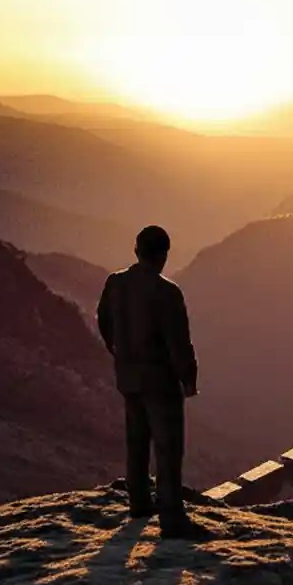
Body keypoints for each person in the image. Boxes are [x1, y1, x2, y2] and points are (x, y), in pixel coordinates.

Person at [96, 225, 208, 538]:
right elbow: (179, 342)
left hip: (128, 376)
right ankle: (172, 518)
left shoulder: (115, 283)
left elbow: (103, 320)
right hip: (160, 380)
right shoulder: (166, 292)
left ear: (136, 250)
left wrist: (117, 351)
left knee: (136, 441)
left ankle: (139, 503)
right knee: (167, 447)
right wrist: (188, 379)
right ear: (163, 255)